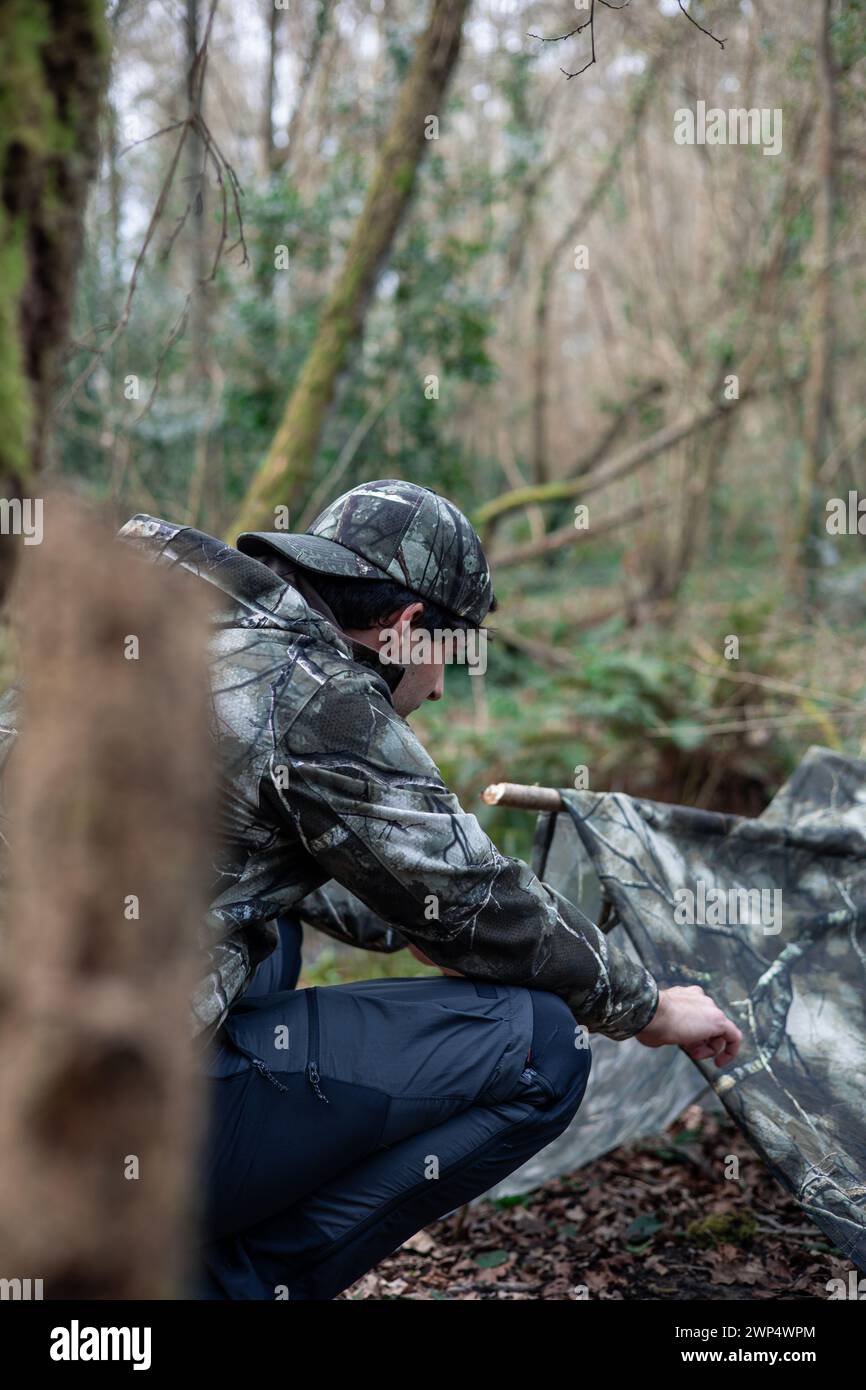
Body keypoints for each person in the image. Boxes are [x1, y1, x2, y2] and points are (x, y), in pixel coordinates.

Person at [118, 479, 741, 1300]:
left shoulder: (171, 636)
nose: (441, 689)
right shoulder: (313, 693)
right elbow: (482, 899)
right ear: (408, 629)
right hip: (95, 1126)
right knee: (541, 1046)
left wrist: (414, 912)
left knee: (277, 936)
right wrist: (651, 1009)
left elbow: (233, 849)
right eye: (450, 654)